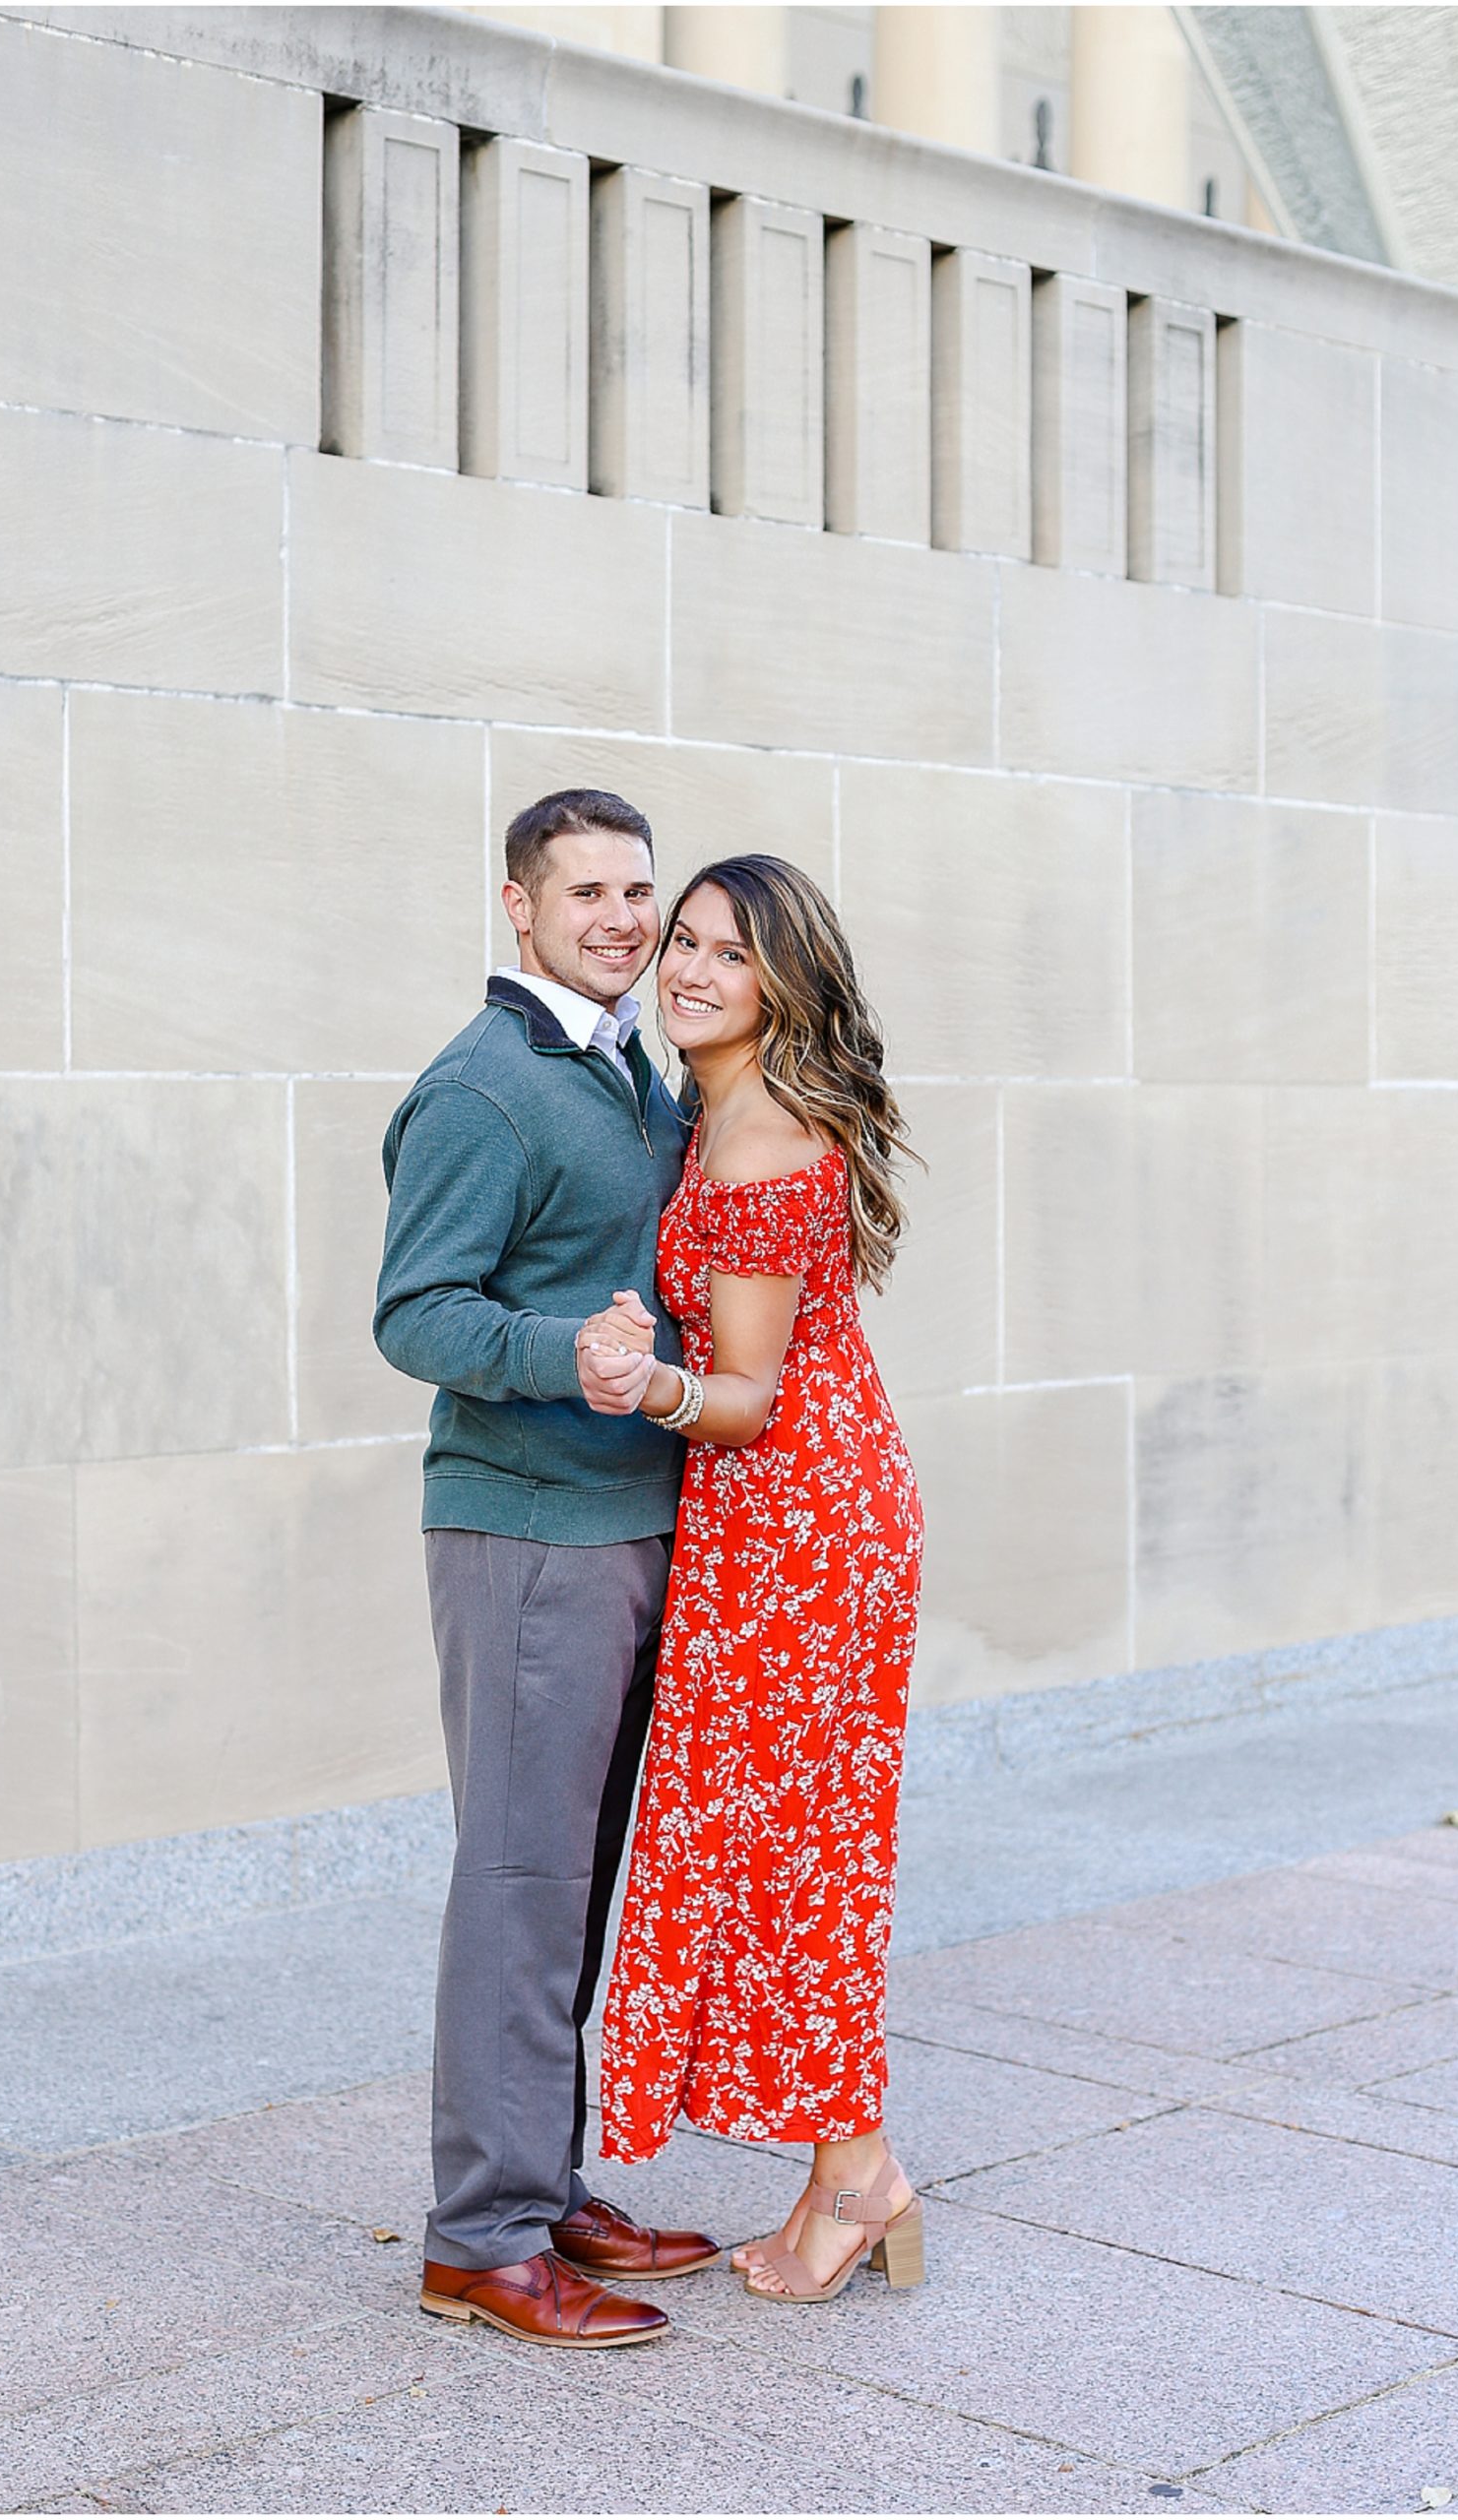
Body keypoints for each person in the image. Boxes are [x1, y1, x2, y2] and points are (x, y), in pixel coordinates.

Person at [373, 789, 719, 2352]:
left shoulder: (633, 1073)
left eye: (636, 887)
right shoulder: (481, 1090)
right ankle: (481, 2239)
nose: (621, 916)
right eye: (584, 891)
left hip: (634, 1524)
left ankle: (544, 2177)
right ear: (518, 908)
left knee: (570, 1878)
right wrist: (558, 1356)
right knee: (519, 1883)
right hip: (523, 1532)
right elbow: (415, 1314)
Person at [576, 853, 926, 2306]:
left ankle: (855, 2179)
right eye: (685, 945)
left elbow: (747, 1395)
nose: (692, 971)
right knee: (795, 1856)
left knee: (794, 1863)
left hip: (798, 1524)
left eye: (730, 952)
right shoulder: (718, 1106)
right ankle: (846, 2174)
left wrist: (638, 1380)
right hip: (781, 1523)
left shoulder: (760, 1132)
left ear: (785, 979)